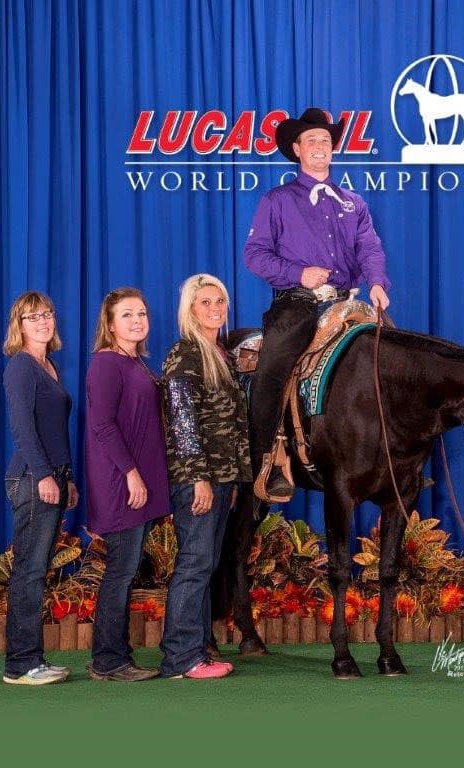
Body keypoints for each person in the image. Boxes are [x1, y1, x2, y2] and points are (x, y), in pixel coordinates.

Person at [243, 107, 391, 500]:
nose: (320, 146)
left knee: (387, 360)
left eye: (326, 141)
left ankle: (388, 458)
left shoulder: (352, 202)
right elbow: (255, 254)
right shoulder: (277, 200)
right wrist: (298, 273)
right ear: (297, 149)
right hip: (298, 303)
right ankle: (264, 460)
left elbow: (370, 248)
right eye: (312, 141)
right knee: (272, 369)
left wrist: (376, 282)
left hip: (347, 301)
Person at [159, 274, 251, 679]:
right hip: (197, 476)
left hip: (220, 477)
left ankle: (195, 651)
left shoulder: (221, 353)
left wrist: (230, 480)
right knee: (195, 564)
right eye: (205, 303)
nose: (215, 309)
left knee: (205, 564)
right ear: (190, 310)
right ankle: (181, 657)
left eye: (220, 302)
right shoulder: (185, 354)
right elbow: (182, 423)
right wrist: (199, 478)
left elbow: (233, 423)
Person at [85, 288, 169, 682]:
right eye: (127, 315)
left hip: (141, 481)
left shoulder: (137, 363)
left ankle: (117, 654)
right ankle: (108, 661)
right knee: (120, 570)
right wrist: (131, 473)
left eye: (141, 313)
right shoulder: (106, 364)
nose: (137, 320)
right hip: (122, 483)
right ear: (110, 323)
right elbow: (102, 426)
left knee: (125, 570)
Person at [1, 291, 78, 685]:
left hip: (53, 475)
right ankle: (20, 665)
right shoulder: (21, 366)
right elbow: (23, 429)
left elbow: (54, 429)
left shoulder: (49, 366)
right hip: (33, 478)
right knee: (29, 572)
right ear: (20, 325)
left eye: (47, 314)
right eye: (33, 317)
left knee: (37, 570)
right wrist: (46, 475)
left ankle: (33, 658)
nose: (43, 322)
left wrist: (68, 477)